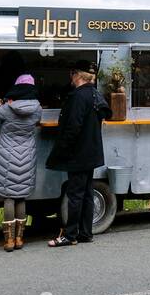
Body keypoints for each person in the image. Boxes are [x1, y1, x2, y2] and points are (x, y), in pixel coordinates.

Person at [46, 59, 110, 247]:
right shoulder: (95, 95)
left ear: (77, 75)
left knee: (75, 194)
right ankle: (86, 232)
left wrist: (62, 150)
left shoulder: (77, 97)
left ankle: (70, 234)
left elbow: (73, 127)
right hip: (91, 152)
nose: (70, 77)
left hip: (78, 153)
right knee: (87, 193)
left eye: (72, 73)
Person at [0, 73, 42, 252]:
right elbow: (37, 123)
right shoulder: (37, 108)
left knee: (9, 197)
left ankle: (9, 240)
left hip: (6, 154)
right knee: (21, 196)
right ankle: (20, 238)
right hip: (27, 154)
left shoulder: (8, 108)